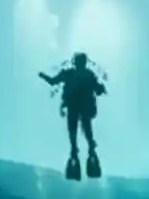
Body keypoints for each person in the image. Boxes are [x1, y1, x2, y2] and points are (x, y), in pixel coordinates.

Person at [39, 52, 106, 181]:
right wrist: (101, 89)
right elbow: (98, 90)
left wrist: (42, 76)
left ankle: (77, 151)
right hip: (83, 108)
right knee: (86, 130)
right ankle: (89, 149)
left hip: (74, 107)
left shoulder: (70, 73)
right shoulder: (88, 74)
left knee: (74, 131)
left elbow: (53, 82)